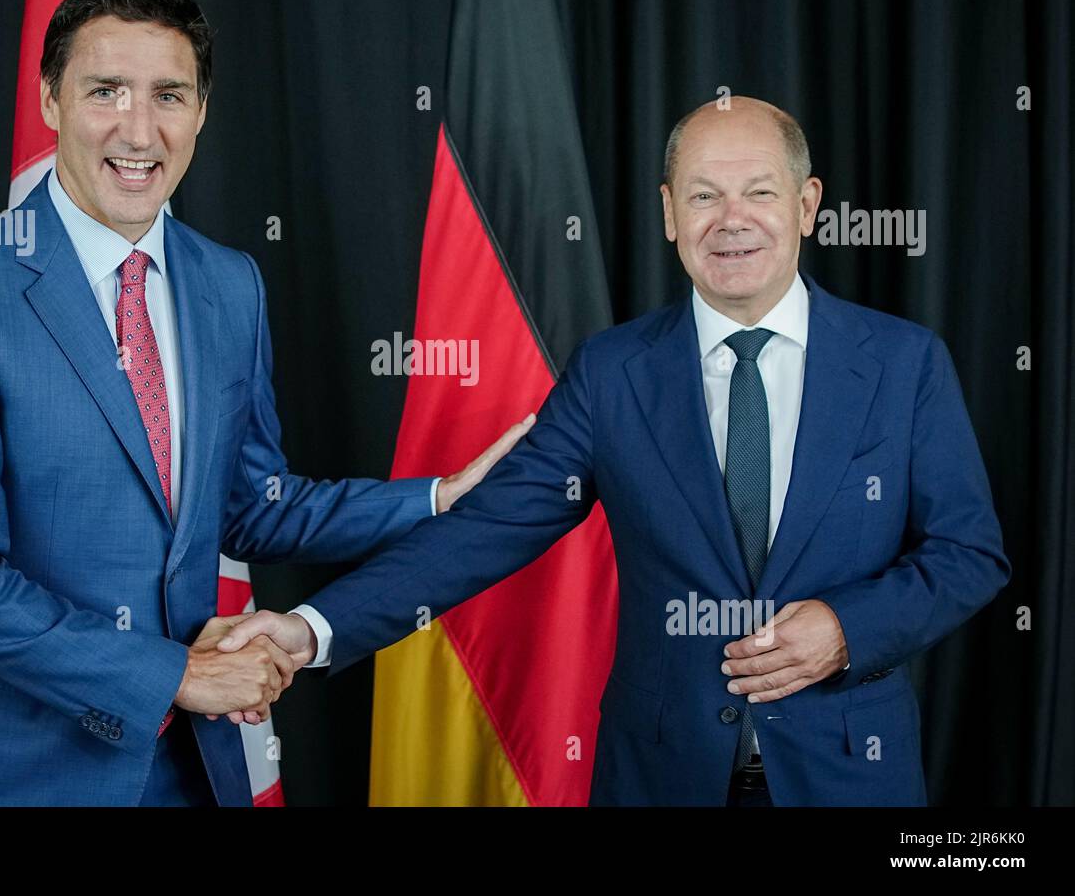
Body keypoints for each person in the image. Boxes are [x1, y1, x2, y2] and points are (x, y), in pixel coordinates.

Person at [216, 96, 1011, 806]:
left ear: (806, 205)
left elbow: (969, 553)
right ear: (669, 212)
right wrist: (311, 627)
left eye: (758, 192)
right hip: (662, 772)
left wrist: (846, 625)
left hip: (849, 774)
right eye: (703, 195)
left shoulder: (905, 363)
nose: (730, 219)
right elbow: (482, 531)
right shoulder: (611, 371)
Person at [0, 0, 526, 807]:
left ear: (202, 111)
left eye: (168, 95)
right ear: (49, 101)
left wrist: (435, 497)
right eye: (105, 90)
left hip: (187, 772)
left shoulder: (228, 283)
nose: (138, 129)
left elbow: (252, 503)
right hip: (6, 774)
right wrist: (174, 672)